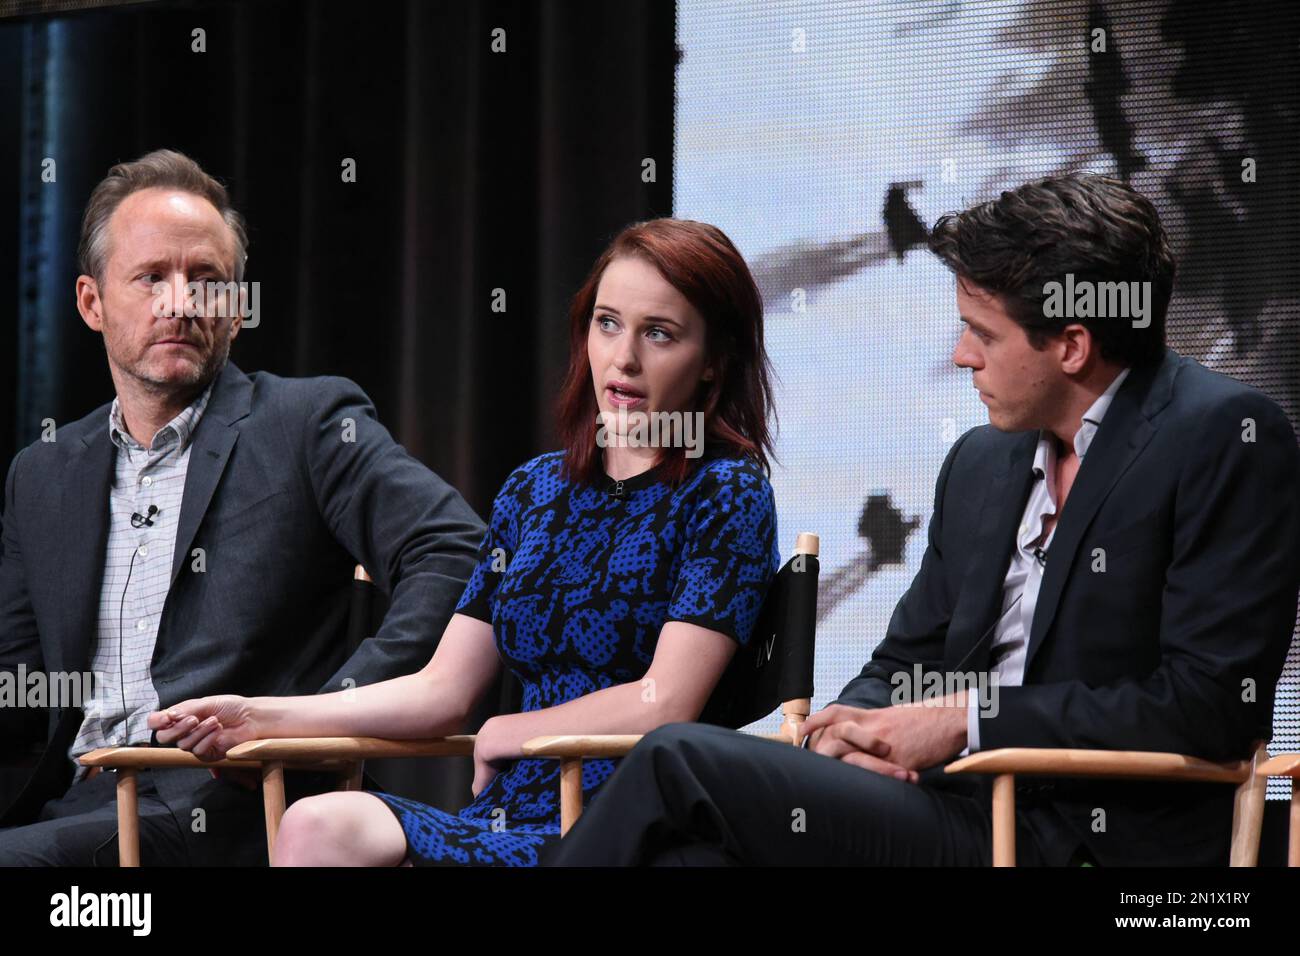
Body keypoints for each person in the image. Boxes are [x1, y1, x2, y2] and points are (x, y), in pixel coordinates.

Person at [543, 173, 1300, 867]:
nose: (964, 355)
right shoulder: (982, 461)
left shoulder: (1225, 436)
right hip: (952, 808)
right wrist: (856, 722)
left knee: (681, 758)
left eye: (984, 333)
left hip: (1093, 844)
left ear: (1072, 345)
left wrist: (967, 720)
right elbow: (907, 659)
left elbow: (1204, 705)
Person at [151, 217, 782, 866]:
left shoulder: (728, 492)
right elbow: (443, 691)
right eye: (608, 323)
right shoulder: (533, 491)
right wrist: (261, 717)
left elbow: (666, 703)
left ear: (712, 364)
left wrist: (517, 730)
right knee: (316, 824)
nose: (624, 358)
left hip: (637, 825)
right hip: (511, 816)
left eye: (659, 334)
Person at [0, 149, 485, 866]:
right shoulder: (41, 474)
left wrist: (322, 715)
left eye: (207, 281)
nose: (182, 302)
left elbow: (458, 552)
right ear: (90, 303)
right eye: (152, 278)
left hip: (226, 803)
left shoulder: (307, 424)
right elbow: (15, 690)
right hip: (73, 802)